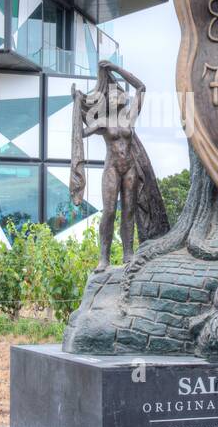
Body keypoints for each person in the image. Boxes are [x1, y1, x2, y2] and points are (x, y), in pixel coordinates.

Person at [72, 60, 168, 271]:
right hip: (112, 169)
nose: (119, 97)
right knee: (108, 212)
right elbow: (82, 133)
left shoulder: (130, 118)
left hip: (130, 169)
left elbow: (141, 87)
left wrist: (116, 69)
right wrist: (77, 104)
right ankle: (103, 258)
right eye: (114, 95)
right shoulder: (103, 121)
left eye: (120, 95)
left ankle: (128, 253)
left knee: (129, 211)